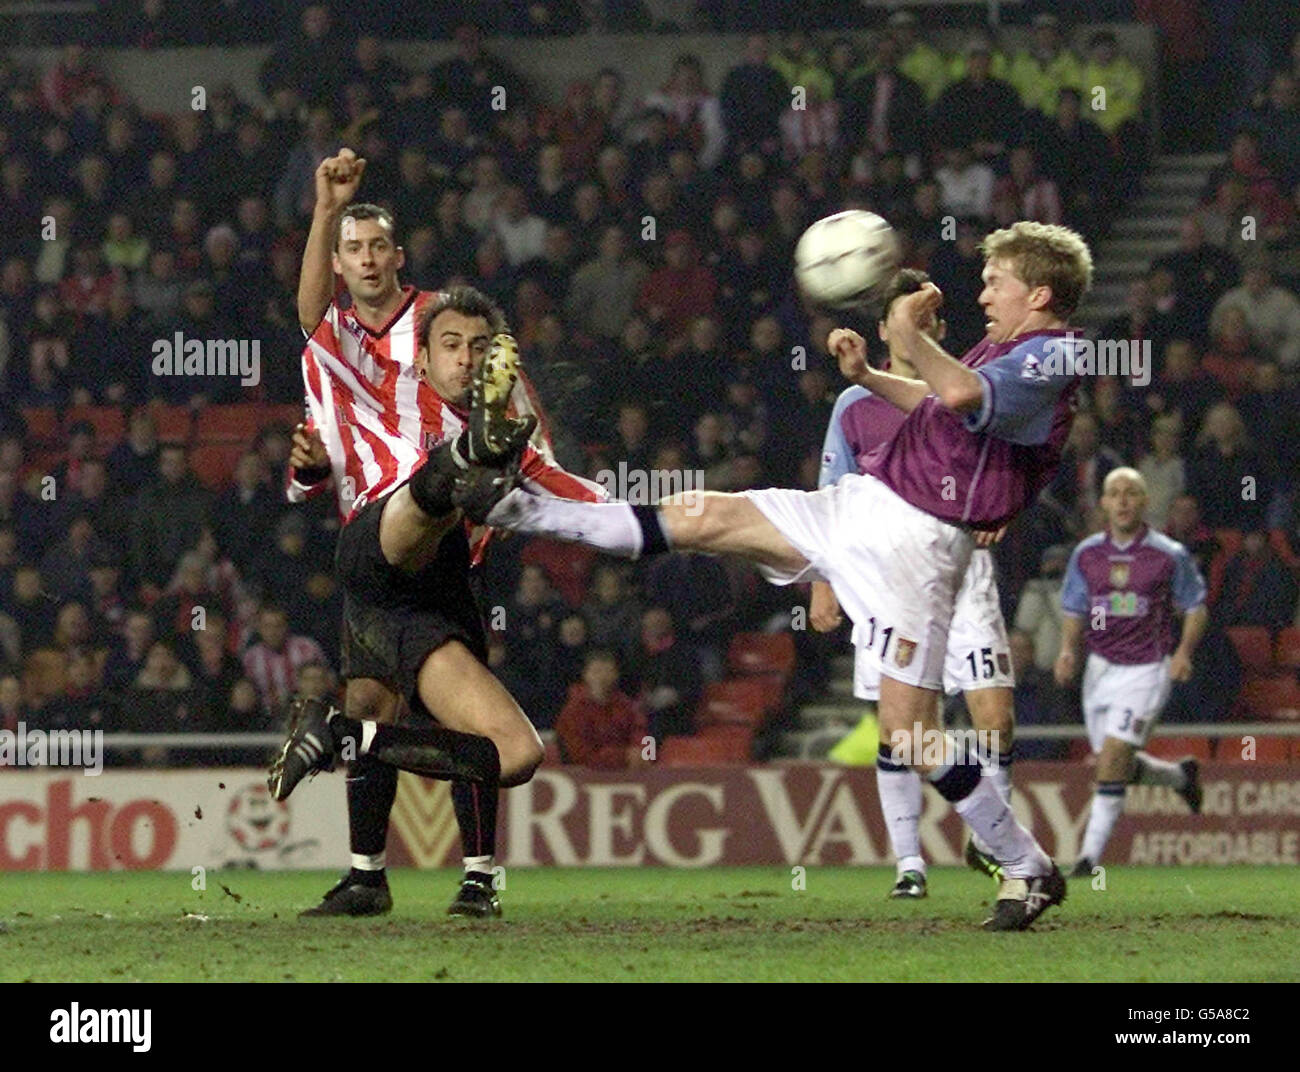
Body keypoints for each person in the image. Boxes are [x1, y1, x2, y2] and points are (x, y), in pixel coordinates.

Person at [473, 220, 1095, 931]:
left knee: (911, 737)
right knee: (705, 515)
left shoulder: (1058, 353)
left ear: (1040, 292)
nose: (984, 291)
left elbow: (959, 398)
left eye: (997, 281)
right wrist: (867, 376)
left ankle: (1026, 865)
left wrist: (907, 330)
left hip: (918, 546)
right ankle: (516, 506)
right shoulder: (1010, 346)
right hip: (864, 506)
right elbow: (936, 407)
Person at [271, 148, 603, 921]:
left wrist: (592, 506)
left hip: (437, 549)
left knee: (410, 723)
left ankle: (475, 872)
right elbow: (308, 327)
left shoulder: (439, 322)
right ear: (339, 261)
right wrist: (311, 466)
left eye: (377, 245)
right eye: (352, 249)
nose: (367, 259)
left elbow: (515, 415)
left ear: (399, 256)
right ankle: (367, 874)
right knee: (370, 699)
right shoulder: (330, 343)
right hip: (376, 538)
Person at [811, 269, 1018, 899]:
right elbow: (832, 496)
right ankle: (909, 864)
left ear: (939, 328)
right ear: (884, 328)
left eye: (929, 316)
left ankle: (990, 841)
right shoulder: (853, 405)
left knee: (996, 720)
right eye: (907, 314)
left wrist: (1001, 509)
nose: (919, 324)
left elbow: (1009, 464)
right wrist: (824, 581)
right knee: (905, 724)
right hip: (889, 580)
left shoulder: (965, 390)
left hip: (963, 569)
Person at [1054, 468, 1207, 878]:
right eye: (1114, 493)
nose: (1122, 500)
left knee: (1115, 756)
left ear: (1143, 502)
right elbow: (1074, 608)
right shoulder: (1087, 554)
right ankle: (1179, 777)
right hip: (1100, 669)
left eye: (1131, 493)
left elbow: (1195, 605)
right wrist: (1069, 650)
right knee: (1111, 760)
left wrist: (1183, 652)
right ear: (1103, 503)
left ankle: (1088, 860)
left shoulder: (1168, 554)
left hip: (1146, 668)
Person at [555, 650, 647, 769]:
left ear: (616, 675)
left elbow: (644, 735)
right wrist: (623, 756)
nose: (602, 677)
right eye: (596, 672)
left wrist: (642, 754)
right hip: (585, 777)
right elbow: (578, 755)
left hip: (628, 773)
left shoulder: (628, 707)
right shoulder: (573, 711)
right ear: (586, 675)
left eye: (607, 671)